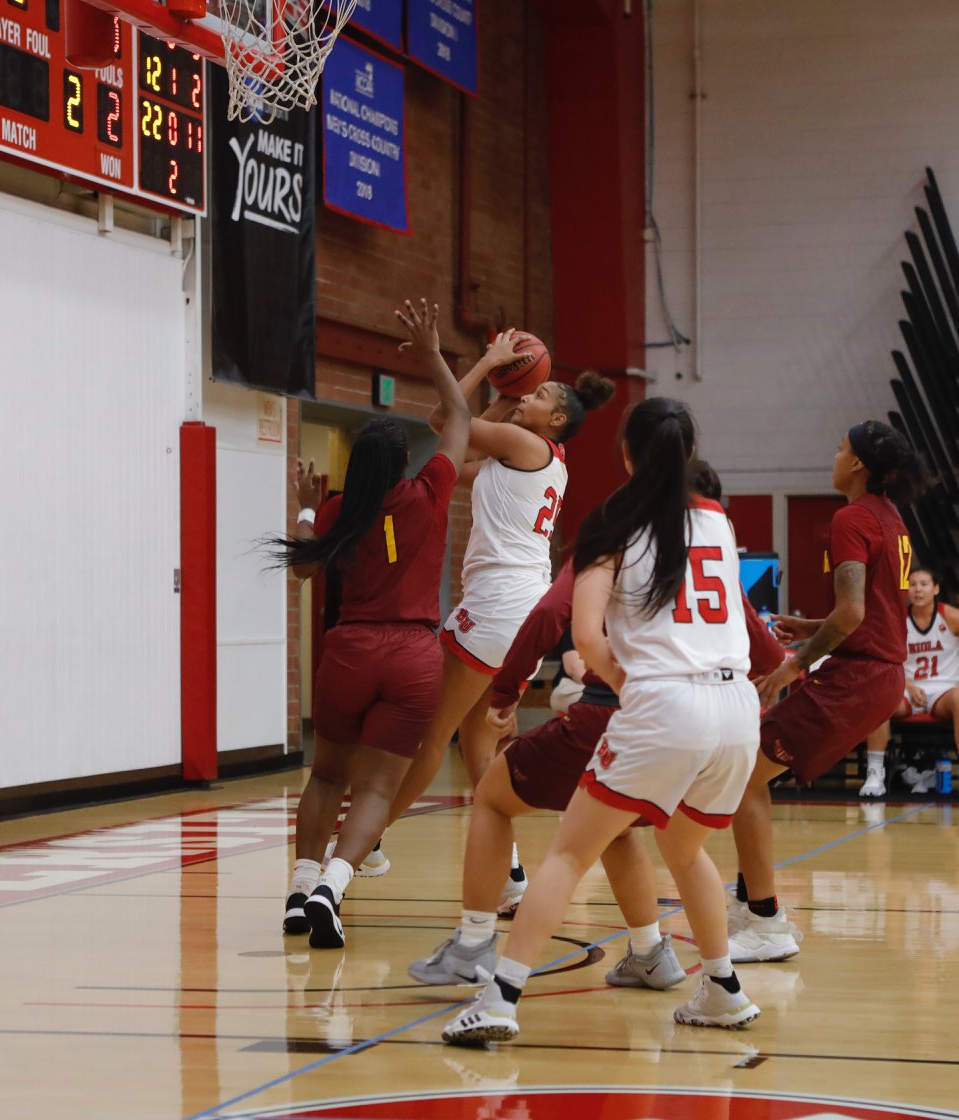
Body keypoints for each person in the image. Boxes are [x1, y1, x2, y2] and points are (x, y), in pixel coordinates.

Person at [440, 398, 762, 1044]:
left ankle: (500, 998)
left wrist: (625, 680)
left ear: (625, 455)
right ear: (689, 450)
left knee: (568, 849)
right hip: (737, 710)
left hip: (668, 705)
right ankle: (723, 989)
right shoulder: (718, 521)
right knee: (684, 845)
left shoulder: (613, 521)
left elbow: (585, 636)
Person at [380, 343, 616, 901]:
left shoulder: (522, 442)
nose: (523, 397)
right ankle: (510, 876)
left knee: (430, 736)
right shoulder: (526, 459)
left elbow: (443, 418)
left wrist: (490, 369)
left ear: (555, 420)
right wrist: (503, 393)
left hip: (497, 609)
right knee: (475, 743)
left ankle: (365, 839)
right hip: (522, 610)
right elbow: (452, 452)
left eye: (535, 394)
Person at [271, 299, 470, 949]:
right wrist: (434, 352)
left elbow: (301, 572)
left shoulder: (334, 512)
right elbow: (461, 419)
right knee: (377, 790)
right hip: (413, 655)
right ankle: (333, 885)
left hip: (349, 653)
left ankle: (299, 893)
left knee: (326, 775)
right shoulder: (430, 491)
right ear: (401, 465)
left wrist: (303, 510)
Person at [728, 421, 930, 964]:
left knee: (744, 774)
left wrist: (796, 664)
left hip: (859, 677)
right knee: (750, 772)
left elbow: (854, 612)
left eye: (840, 448)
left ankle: (765, 919)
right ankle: (751, 899)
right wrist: (812, 623)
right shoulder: (889, 517)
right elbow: (870, 613)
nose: (833, 455)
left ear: (859, 464)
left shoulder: (851, 518)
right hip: (876, 672)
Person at [859, 565, 959, 800]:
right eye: (912, 585)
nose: (917, 590)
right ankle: (875, 774)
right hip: (908, 690)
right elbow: (883, 659)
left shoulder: (950, 616)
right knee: (877, 700)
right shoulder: (896, 620)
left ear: (935, 589)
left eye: (923, 585)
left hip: (944, 692)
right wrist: (907, 686)